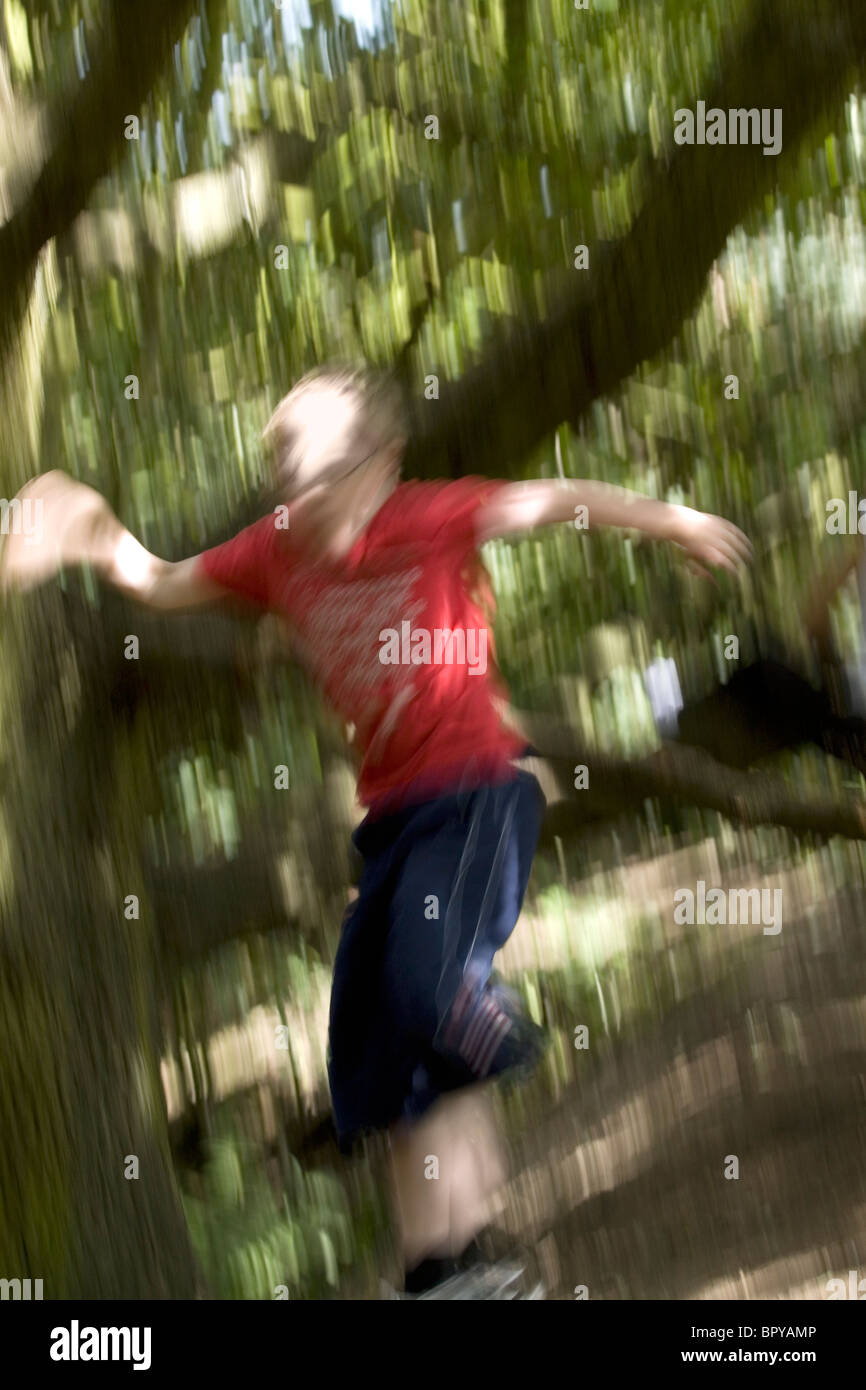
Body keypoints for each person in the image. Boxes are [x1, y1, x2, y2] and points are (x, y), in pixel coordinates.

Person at [0, 365, 750, 1298]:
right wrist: (80, 521)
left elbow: (561, 501)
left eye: (313, 473)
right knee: (371, 1048)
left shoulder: (431, 517)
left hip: (477, 793)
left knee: (424, 980)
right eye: (280, 475)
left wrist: (671, 521)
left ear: (380, 465)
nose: (293, 498)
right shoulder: (274, 551)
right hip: (393, 823)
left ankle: (492, 1036)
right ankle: (447, 1269)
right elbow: (153, 581)